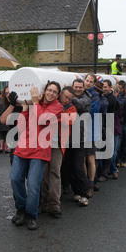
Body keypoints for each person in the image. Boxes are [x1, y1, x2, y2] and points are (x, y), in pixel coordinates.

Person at [10, 82, 63, 230]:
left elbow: (42, 119)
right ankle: (21, 209)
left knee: (33, 186)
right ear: (44, 91)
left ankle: (31, 215)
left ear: (58, 95)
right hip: (23, 146)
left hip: (39, 150)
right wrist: (26, 109)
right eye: (49, 90)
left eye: (54, 92)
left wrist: (34, 103)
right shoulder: (35, 102)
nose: (51, 93)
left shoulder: (58, 107)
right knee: (15, 179)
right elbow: (21, 125)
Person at [40, 86, 77, 218]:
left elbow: (70, 120)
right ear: (60, 94)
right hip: (44, 143)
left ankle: (54, 204)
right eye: (65, 96)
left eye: (69, 98)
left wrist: (54, 115)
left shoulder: (71, 108)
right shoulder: (47, 103)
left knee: (55, 173)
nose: (67, 100)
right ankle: (43, 202)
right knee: (44, 173)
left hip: (58, 145)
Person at [61, 78, 91, 207]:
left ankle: (84, 193)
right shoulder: (68, 100)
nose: (78, 89)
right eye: (76, 87)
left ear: (83, 88)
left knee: (79, 168)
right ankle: (77, 192)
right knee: (68, 167)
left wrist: (66, 95)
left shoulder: (86, 99)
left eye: (80, 87)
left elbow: (78, 105)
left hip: (79, 139)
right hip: (67, 139)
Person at [84, 73, 100, 196]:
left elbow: (92, 111)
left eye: (90, 81)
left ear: (94, 84)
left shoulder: (94, 96)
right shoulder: (81, 93)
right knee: (82, 159)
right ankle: (85, 183)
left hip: (90, 132)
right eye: (86, 80)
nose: (88, 83)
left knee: (90, 159)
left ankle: (91, 184)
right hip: (81, 132)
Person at [0, 85, 11, 154]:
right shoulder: (8, 104)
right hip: (6, 120)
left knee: (1, 135)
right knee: (7, 134)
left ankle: (1, 147)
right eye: (6, 93)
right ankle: (6, 148)